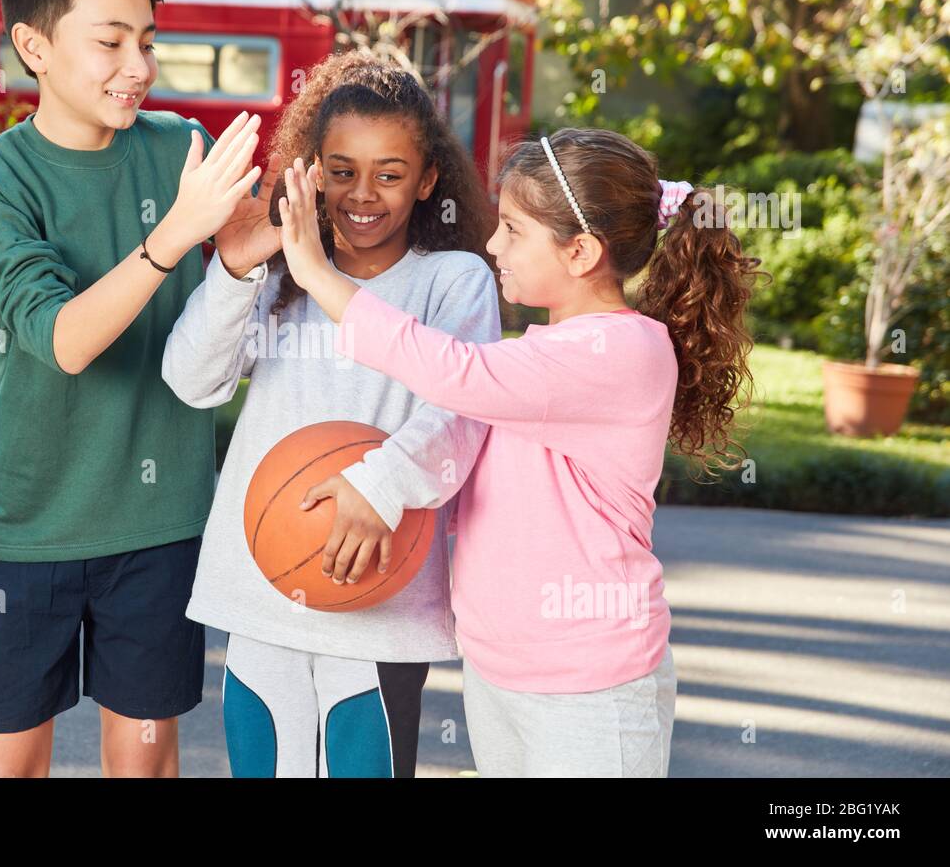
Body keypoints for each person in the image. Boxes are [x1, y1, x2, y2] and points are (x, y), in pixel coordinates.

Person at [276, 127, 764, 776]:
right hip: (501, 670)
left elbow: (451, 373)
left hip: (591, 685)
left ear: (582, 250)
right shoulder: (547, 352)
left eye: (512, 228)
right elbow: (456, 417)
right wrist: (381, 484)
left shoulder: (620, 352)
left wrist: (315, 273)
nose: (491, 243)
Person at [0, 0, 273, 777]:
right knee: (8, 765)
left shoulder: (181, 151)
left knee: (146, 763)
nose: (140, 66)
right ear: (34, 46)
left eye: (150, 41)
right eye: (111, 41)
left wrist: (241, 254)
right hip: (25, 524)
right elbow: (62, 339)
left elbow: (239, 302)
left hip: (159, 525)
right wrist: (175, 235)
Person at [163, 52, 502, 777]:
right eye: (342, 170)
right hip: (262, 588)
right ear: (311, 170)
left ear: (428, 178)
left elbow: (463, 413)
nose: (363, 194)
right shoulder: (280, 271)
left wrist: (379, 486)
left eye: (390, 172)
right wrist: (231, 269)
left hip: (379, 596)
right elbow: (192, 382)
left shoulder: (452, 279)